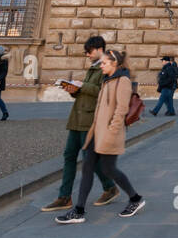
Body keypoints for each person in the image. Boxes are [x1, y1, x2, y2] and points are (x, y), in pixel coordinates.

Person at [56, 49, 147, 224]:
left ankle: (135, 198)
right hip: (96, 133)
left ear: (114, 64)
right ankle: (79, 210)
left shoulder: (123, 81)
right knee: (88, 169)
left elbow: (121, 111)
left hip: (109, 135)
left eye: (104, 63)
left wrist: (111, 134)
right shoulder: (107, 80)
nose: (101, 66)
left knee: (109, 169)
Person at [42, 36, 118, 213]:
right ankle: (64, 197)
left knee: (89, 159)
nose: (87, 55)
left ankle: (110, 187)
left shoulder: (108, 67)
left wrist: (81, 86)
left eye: (89, 51)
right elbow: (87, 91)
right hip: (77, 119)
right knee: (69, 155)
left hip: (90, 120)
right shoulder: (94, 67)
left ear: (99, 49)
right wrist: (74, 91)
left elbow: (103, 92)